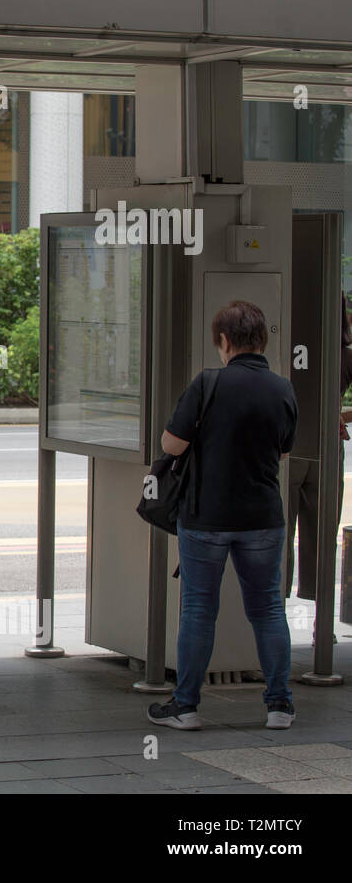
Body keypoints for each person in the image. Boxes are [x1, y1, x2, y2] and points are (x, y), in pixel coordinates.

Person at [147, 300, 298, 732]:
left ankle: (186, 706)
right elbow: (284, 449)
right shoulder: (282, 388)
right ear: (262, 340)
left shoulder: (206, 384)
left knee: (198, 610)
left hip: (206, 517)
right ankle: (279, 707)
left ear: (224, 341)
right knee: (269, 609)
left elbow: (172, 445)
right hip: (264, 518)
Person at [284, 291, 352, 607]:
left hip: (288, 447)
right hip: (327, 450)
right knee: (321, 535)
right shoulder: (344, 354)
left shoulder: (288, 346)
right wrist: (337, 414)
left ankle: (275, 610)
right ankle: (320, 623)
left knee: (279, 533)